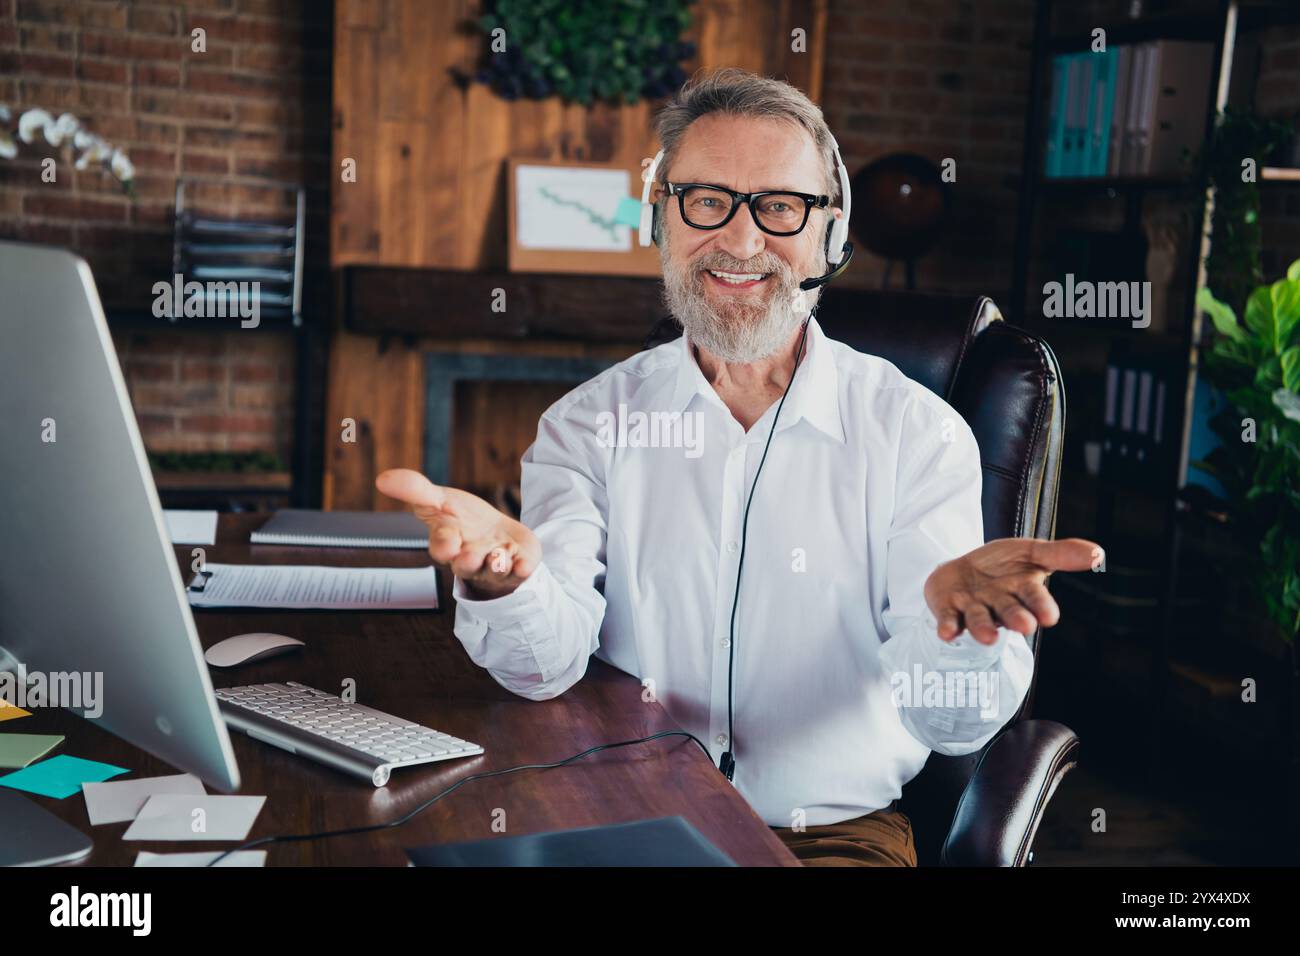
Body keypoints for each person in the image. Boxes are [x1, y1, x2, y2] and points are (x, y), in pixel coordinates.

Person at [377, 68, 1099, 866]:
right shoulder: (586, 423)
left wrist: (962, 636)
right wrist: (504, 584)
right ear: (662, 221)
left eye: (780, 206)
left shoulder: (918, 434)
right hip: (614, 817)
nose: (742, 240)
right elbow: (541, 670)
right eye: (707, 199)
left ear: (831, 233)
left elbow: (950, 725)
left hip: (828, 837)